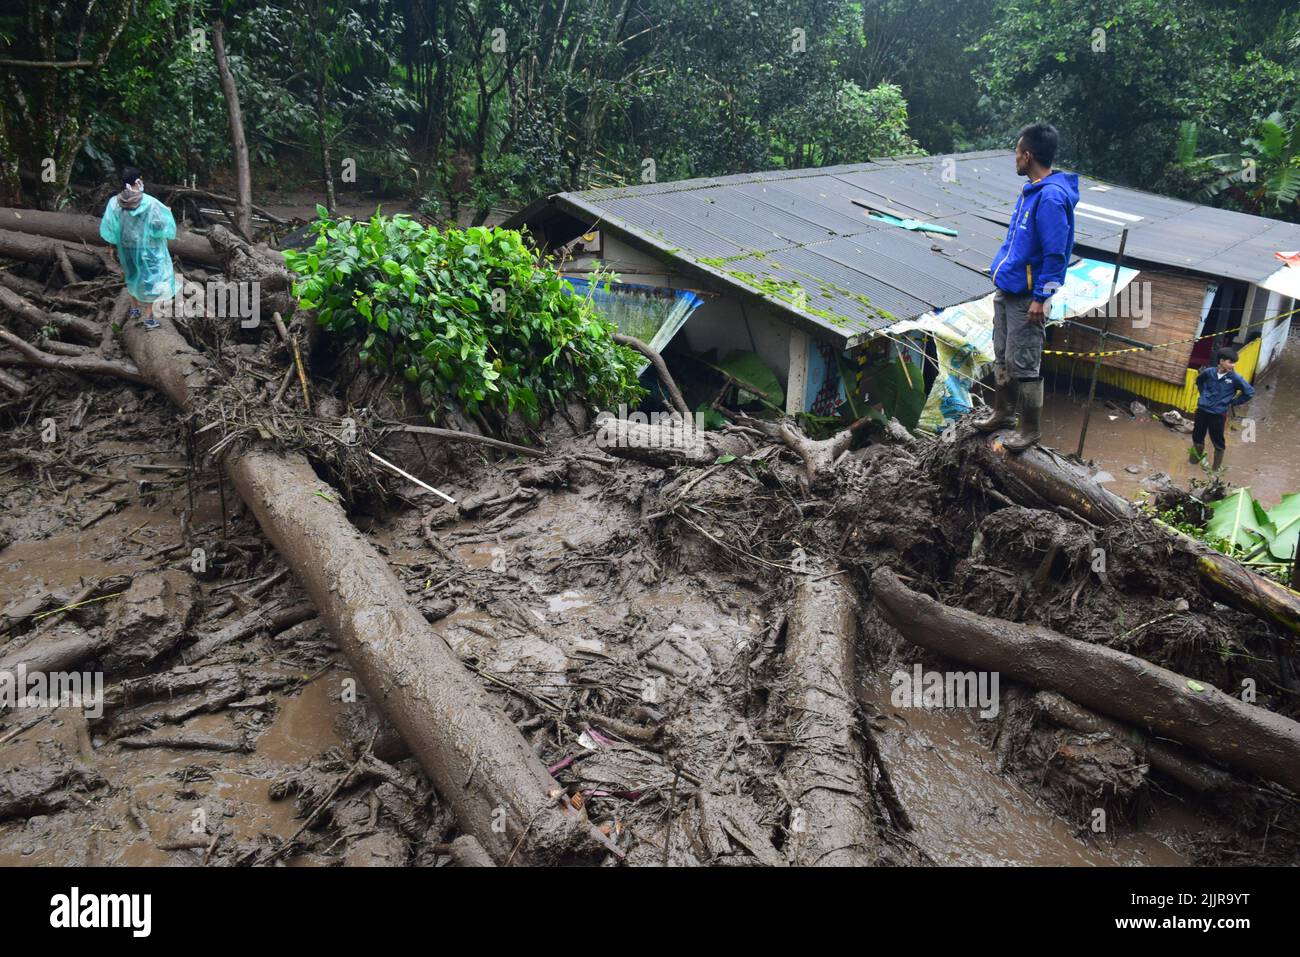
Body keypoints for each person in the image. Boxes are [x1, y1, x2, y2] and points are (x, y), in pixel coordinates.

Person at [973, 122, 1079, 450]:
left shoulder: (1050, 198)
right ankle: (1002, 412)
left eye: (1017, 153)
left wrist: (1042, 297)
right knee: (1002, 353)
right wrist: (1000, 269)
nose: (1015, 159)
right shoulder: (1030, 191)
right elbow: (1019, 243)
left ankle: (1029, 428)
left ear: (1028, 155)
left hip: (1027, 298)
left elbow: (1055, 253)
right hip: (1008, 288)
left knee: (1025, 361)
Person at [98, 167, 178, 328]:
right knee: (153, 279)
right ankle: (149, 318)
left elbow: (109, 226)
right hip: (148, 249)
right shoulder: (149, 202)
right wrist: (166, 213)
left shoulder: (115, 202)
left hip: (126, 248)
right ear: (137, 181)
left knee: (132, 275)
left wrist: (112, 245)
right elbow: (159, 226)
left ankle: (134, 310)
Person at [1190, 346, 1254, 471]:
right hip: (1202, 411)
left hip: (1218, 415)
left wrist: (1232, 402)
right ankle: (1192, 462)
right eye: (1230, 362)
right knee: (1197, 438)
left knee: (1218, 442)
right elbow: (1199, 381)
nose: (1233, 365)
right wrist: (1203, 395)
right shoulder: (1209, 372)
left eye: (1234, 363)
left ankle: (1215, 470)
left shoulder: (1235, 378)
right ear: (1221, 361)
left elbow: (1249, 392)